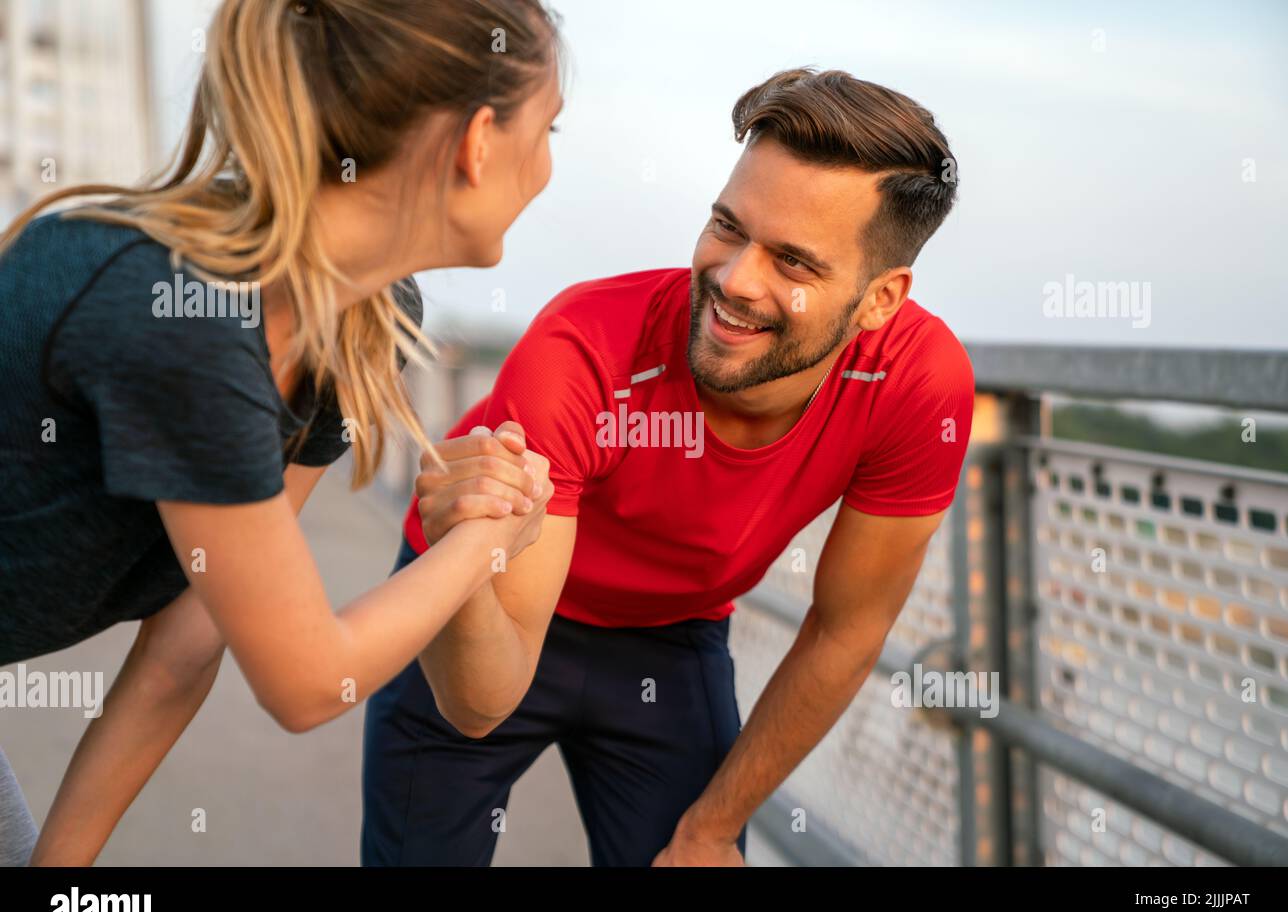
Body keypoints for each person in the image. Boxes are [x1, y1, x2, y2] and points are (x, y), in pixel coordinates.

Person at [361, 68, 976, 866]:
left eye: (793, 262)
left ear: (880, 299)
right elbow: (481, 705)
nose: (734, 279)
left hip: (667, 635)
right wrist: (458, 553)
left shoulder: (920, 383)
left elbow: (845, 630)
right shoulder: (580, 351)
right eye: (728, 226)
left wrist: (712, 827)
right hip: (488, 600)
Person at [0, 0, 564, 866]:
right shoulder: (181, 314)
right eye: (549, 127)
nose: (551, 167)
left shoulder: (366, 321)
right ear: (479, 141)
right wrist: (489, 536)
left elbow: (190, 638)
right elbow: (306, 680)